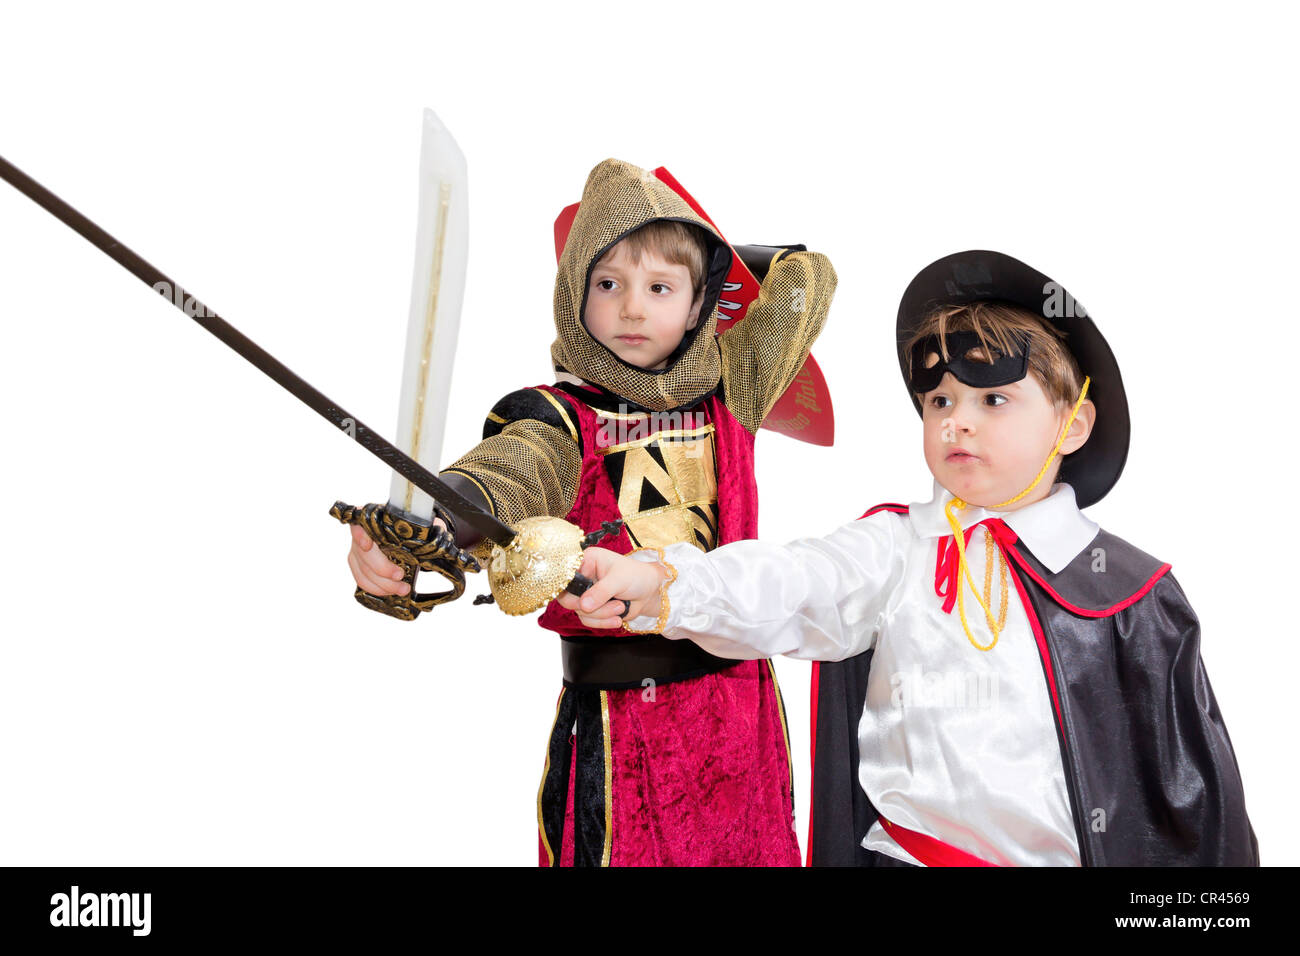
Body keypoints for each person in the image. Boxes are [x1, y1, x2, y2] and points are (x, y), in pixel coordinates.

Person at [560, 249, 1258, 866]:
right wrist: (662, 581)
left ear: (1071, 425)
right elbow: (795, 581)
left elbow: (1196, 802)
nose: (956, 419)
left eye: (994, 399)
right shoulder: (896, 549)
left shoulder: (1134, 597)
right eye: (940, 398)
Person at [346, 158, 838, 866]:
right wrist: (436, 526)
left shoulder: (735, 387)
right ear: (574, 293)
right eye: (608, 283)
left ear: (702, 307)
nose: (633, 308)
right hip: (622, 732)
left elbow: (808, 280)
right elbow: (510, 474)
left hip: (740, 714)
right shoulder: (558, 421)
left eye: (660, 288)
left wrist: (718, 258)